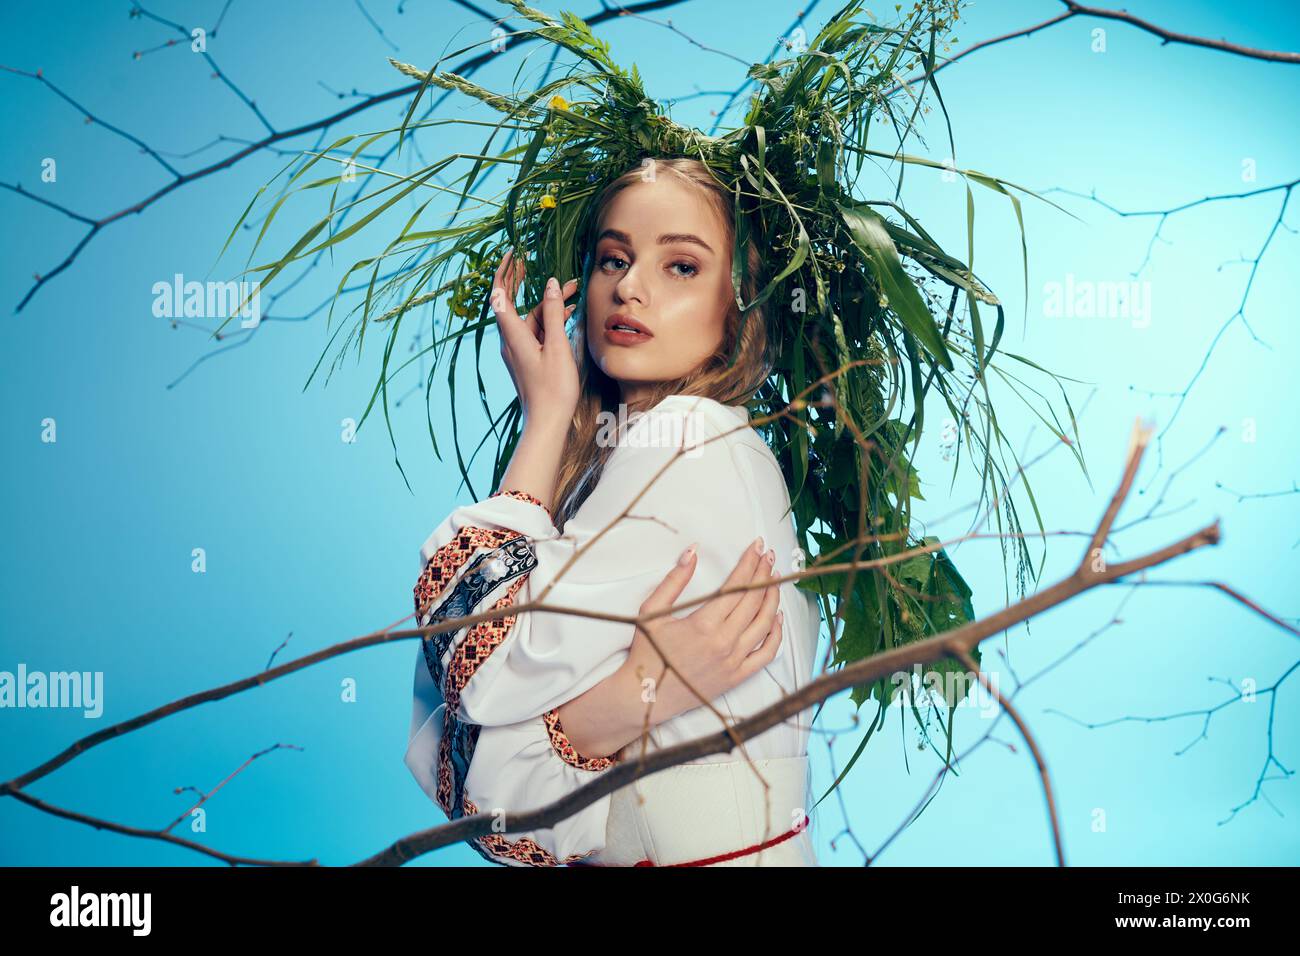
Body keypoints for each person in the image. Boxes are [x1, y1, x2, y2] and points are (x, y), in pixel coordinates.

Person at [404, 158, 822, 866]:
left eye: (681, 266)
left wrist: (546, 419)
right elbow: (494, 799)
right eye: (613, 259)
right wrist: (631, 696)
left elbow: (474, 655)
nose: (629, 288)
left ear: (740, 301)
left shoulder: (690, 439)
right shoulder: (649, 459)